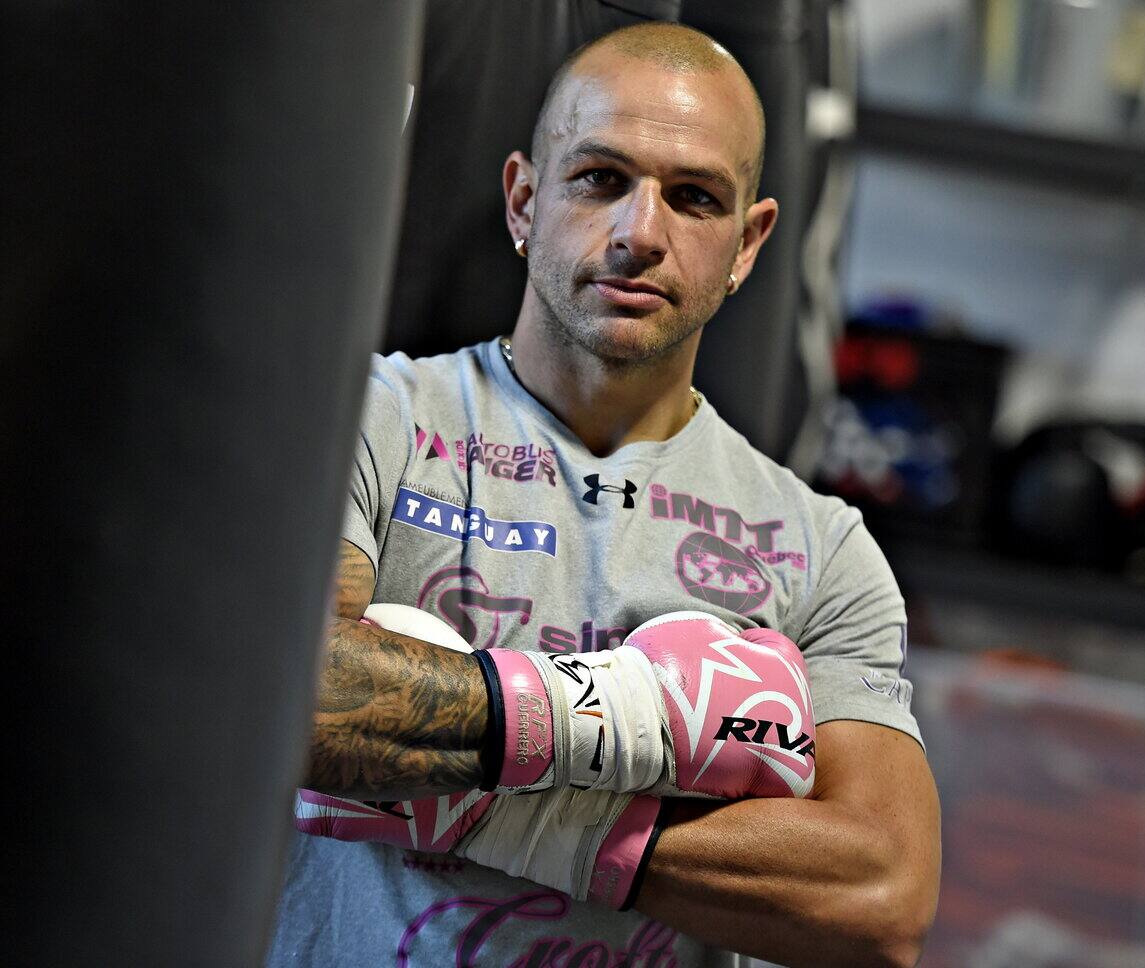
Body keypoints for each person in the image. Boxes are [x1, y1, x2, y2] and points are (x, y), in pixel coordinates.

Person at [267, 21, 940, 968]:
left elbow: (879, 898)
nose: (640, 233)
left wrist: (444, 787)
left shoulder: (820, 548)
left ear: (750, 245)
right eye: (599, 180)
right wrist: (651, 721)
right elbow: (288, 706)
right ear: (524, 199)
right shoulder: (368, 419)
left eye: (695, 198)